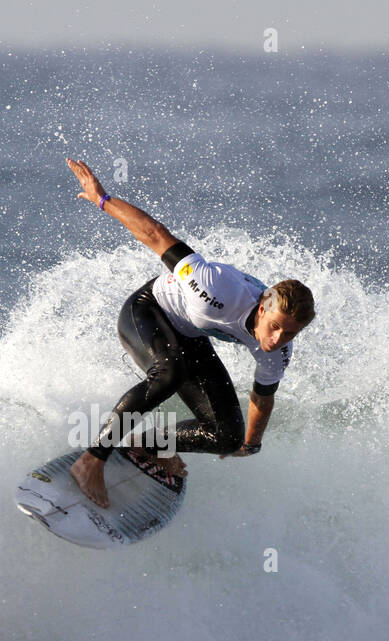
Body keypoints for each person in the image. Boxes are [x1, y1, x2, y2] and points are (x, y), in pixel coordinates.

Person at [64, 157, 316, 508]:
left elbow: (263, 395)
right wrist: (101, 198)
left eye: (289, 335)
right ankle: (91, 460)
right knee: (169, 372)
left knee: (226, 435)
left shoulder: (277, 351)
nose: (276, 340)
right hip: (148, 311)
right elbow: (155, 234)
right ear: (263, 308)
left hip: (189, 337)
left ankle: (149, 446)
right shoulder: (218, 288)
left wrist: (251, 444)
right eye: (274, 328)